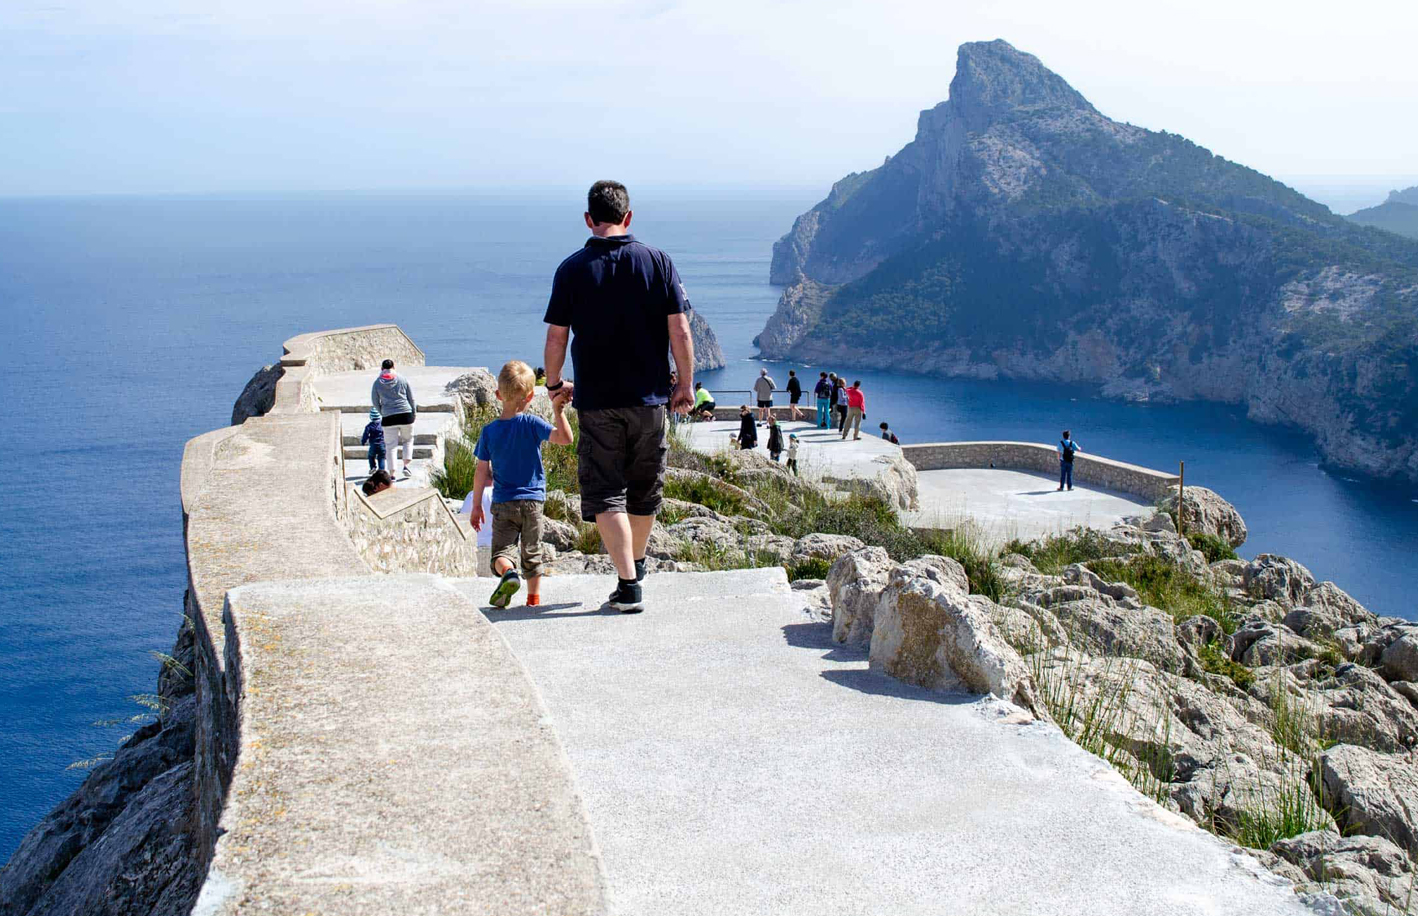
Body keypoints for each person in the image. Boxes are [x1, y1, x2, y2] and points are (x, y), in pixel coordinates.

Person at [543, 179, 695, 613]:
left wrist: (554, 386)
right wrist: (684, 385)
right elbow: (679, 329)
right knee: (644, 491)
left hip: (597, 402)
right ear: (628, 217)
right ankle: (637, 565)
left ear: (589, 220)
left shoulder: (571, 269)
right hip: (650, 400)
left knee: (607, 492)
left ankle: (629, 584)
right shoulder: (657, 262)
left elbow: (557, 337)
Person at [469, 360, 575, 609]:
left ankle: (508, 573)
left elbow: (480, 472)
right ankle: (533, 600)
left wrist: (476, 506)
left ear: (497, 395)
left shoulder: (489, 432)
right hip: (533, 502)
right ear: (529, 397)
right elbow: (566, 439)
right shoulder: (532, 424)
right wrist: (558, 412)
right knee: (532, 552)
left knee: (501, 553)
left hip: (503, 502)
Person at [371, 359, 417, 478]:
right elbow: (411, 398)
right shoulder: (402, 379)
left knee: (390, 446)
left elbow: (375, 401)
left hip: (388, 417)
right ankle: (406, 466)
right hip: (406, 414)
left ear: (382, 368)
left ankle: (392, 473)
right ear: (394, 367)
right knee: (408, 440)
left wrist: (382, 411)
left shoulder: (377, 383)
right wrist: (414, 412)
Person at [361, 408, 386, 472]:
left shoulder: (369, 426)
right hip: (382, 444)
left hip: (373, 445)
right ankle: (381, 471)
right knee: (381, 458)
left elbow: (365, 435)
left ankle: (373, 467)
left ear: (371, 417)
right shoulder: (383, 425)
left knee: (371, 456)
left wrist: (363, 441)